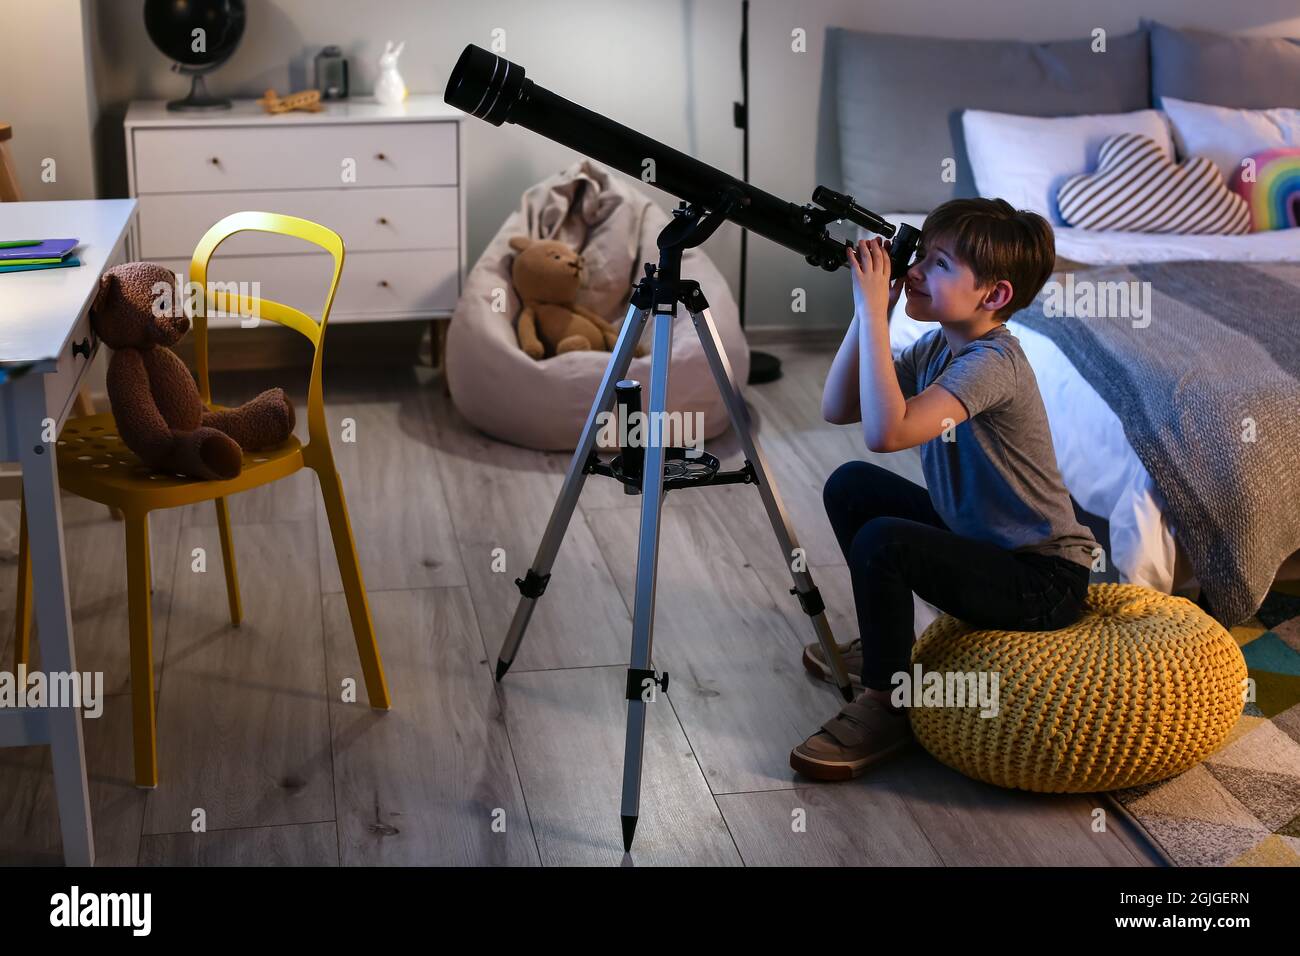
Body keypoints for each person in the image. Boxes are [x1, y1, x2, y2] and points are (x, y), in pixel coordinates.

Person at [791, 197, 1099, 781]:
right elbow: (839, 408)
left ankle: (888, 701)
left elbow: (888, 432)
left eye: (938, 264)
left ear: (995, 295)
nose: (913, 271)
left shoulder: (991, 362)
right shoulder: (939, 346)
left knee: (885, 540)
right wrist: (869, 317)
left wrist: (874, 310)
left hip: (1042, 580)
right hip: (983, 544)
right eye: (921, 256)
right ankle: (890, 646)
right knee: (852, 486)